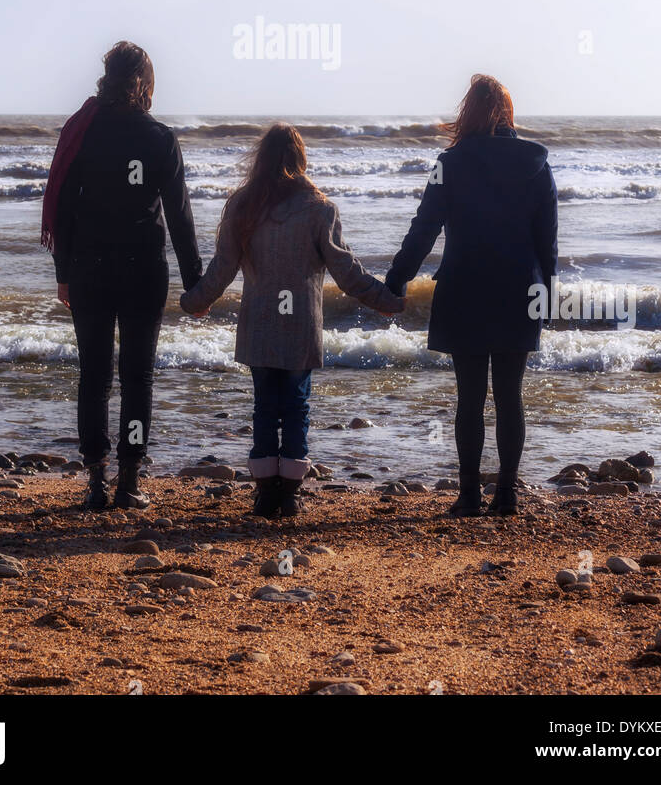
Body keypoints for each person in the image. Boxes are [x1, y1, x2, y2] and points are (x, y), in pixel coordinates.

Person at [180, 123, 404, 518]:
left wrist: (195, 300)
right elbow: (346, 270)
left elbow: (223, 267)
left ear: (261, 159)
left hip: (260, 322)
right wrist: (383, 300)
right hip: (300, 323)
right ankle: (290, 495)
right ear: (300, 159)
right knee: (297, 406)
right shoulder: (319, 209)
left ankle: (267, 493)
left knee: (265, 406)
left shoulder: (242, 206)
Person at [385, 75, 557, 517]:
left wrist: (396, 279)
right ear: (508, 113)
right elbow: (547, 239)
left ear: (469, 113)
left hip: (465, 286)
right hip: (520, 288)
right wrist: (548, 295)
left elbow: (424, 228)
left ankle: (468, 497)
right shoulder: (536, 162)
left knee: (470, 396)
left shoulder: (451, 162)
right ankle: (507, 495)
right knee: (510, 394)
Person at [42, 41, 202, 511]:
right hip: (142, 271)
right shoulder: (159, 137)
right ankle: (129, 481)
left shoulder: (83, 132)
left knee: (93, 375)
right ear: (146, 83)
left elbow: (65, 207)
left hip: (89, 269)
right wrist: (196, 282)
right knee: (137, 376)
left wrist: (63, 271)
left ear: (106, 77)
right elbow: (180, 216)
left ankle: (94, 480)